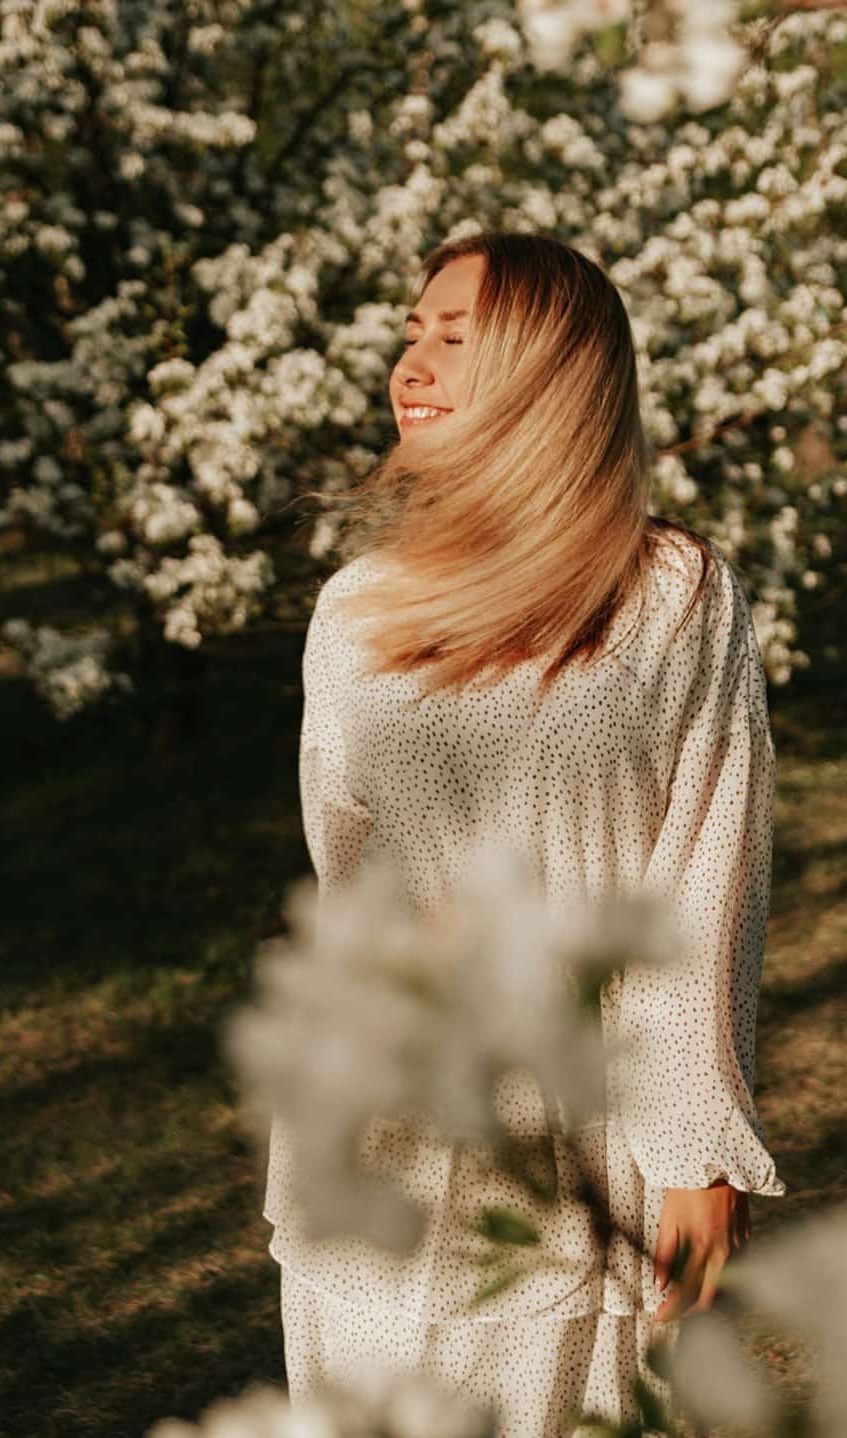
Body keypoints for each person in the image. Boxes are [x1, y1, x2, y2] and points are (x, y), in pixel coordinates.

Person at [260, 231, 787, 1437]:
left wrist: (696, 1150)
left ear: (551, 371)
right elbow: (343, 871)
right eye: (410, 334)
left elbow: (706, 880)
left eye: (454, 337)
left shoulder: (671, 597)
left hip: (584, 1141)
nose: (412, 364)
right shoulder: (353, 611)